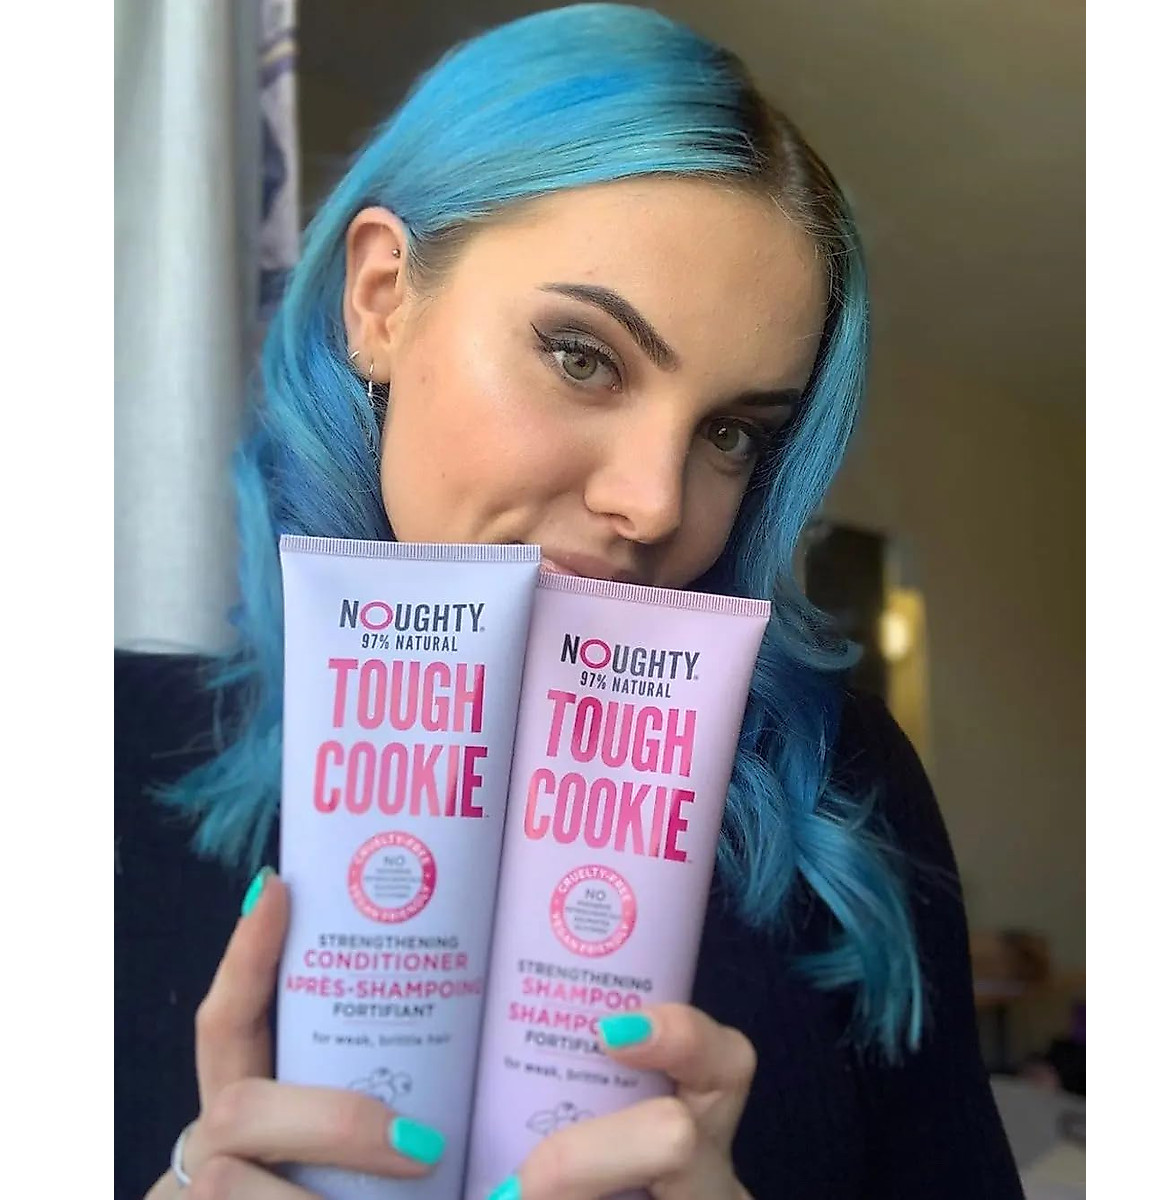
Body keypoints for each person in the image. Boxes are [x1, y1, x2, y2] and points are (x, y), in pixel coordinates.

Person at [119, 4, 1023, 1197]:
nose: (655, 502)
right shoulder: (101, 758)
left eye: (733, 433)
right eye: (583, 356)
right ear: (382, 298)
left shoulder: (840, 792)